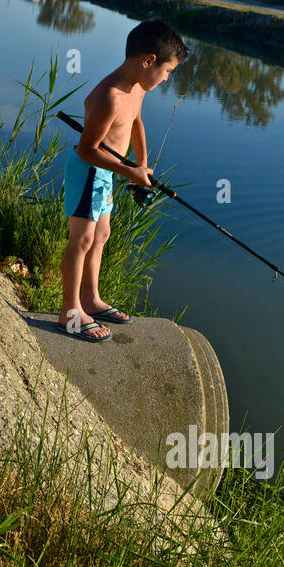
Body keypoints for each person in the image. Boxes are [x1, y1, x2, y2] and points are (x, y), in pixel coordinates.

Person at [59, 20, 188, 341]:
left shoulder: (136, 89)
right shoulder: (110, 96)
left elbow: (136, 124)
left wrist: (142, 166)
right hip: (89, 171)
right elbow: (87, 150)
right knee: (82, 240)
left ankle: (91, 298)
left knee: (102, 234)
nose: (166, 79)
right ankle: (70, 310)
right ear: (148, 61)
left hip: (108, 172)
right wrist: (130, 172)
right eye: (168, 71)